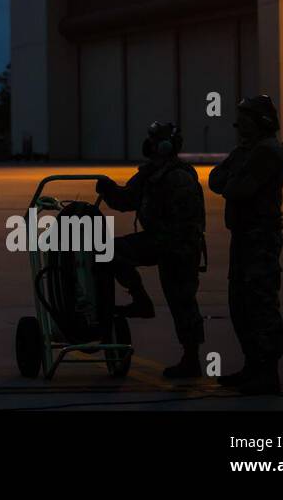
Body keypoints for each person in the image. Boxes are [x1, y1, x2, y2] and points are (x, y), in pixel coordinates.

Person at [96, 121, 206, 378]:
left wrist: (112, 190)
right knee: (109, 250)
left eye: (155, 139)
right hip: (167, 242)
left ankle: (191, 359)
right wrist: (108, 188)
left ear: (165, 145)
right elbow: (125, 200)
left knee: (182, 302)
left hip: (177, 245)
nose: (151, 144)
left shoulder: (175, 176)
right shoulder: (154, 172)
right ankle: (141, 301)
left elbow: (134, 202)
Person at [208, 94, 283, 395]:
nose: (240, 126)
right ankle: (253, 366)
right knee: (240, 304)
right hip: (243, 237)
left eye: (246, 120)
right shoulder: (247, 150)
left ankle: (267, 371)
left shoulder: (267, 151)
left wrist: (231, 179)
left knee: (260, 304)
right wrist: (231, 178)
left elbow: (237, 189)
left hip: (260, 238)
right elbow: (216, 180)